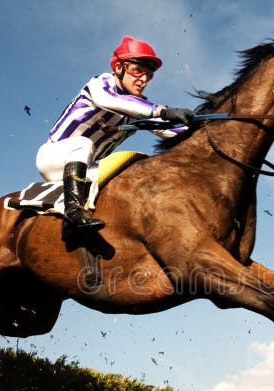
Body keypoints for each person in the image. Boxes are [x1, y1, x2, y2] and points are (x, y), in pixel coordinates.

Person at [36, 36, 195, 243]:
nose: (144, 79)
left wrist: (200, 128)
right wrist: (161, 111)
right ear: (119, 68)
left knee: (128, 178)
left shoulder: (137, 107)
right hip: (53, 157)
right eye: (138, 71)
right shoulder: (100, 84)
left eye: (149, 75)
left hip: (86, 169)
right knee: (84, 144)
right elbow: (110, 100)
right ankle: (72, 215)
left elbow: (168, 131)